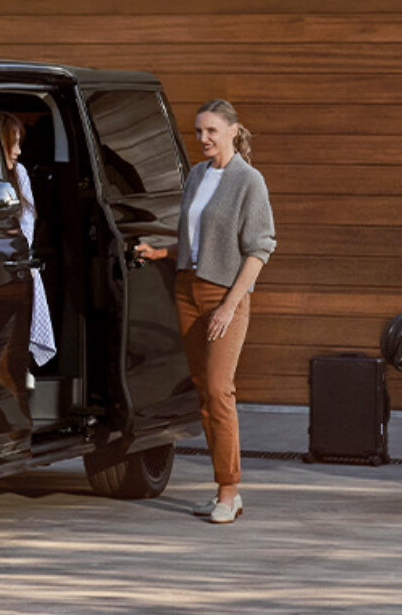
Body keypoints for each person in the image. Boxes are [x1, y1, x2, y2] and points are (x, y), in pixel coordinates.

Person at [134, 99, 276, 524]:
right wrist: (162, 252)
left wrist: (229, 307)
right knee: (203, 391)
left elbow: (259, 250)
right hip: (186, 289)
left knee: (218, 390)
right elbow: (199, 241)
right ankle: (223, 489)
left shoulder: (249, 181)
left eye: (212, 130)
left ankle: (229, 491)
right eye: (198, 131)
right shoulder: (197, 175)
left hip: (224, 295)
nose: (203, 138)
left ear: (233, 130)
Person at [0, 112, 57, 367]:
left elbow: (27, 225)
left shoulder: (19, 173)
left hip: (15, 266)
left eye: (20, 143)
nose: (18, 151)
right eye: (13, 143)